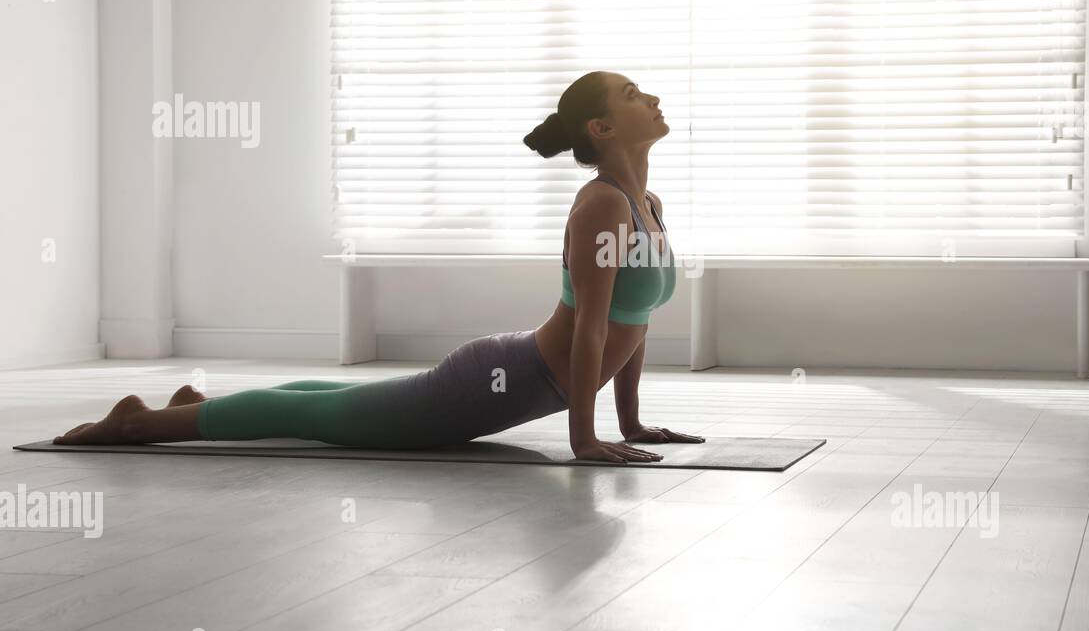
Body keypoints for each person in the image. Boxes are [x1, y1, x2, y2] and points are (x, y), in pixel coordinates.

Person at [53, 72, 706, 464]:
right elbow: (593, 329)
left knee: (341, 405)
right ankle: (138, 421)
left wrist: (629, 422)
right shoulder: (601, 205)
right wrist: (584, 440)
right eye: (631, 94)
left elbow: (634, 321)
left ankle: (202, 403)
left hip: (521, 377)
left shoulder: (647, 204)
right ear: (601, 128)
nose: (650, 97)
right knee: (317, 422)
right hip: (495, 385)